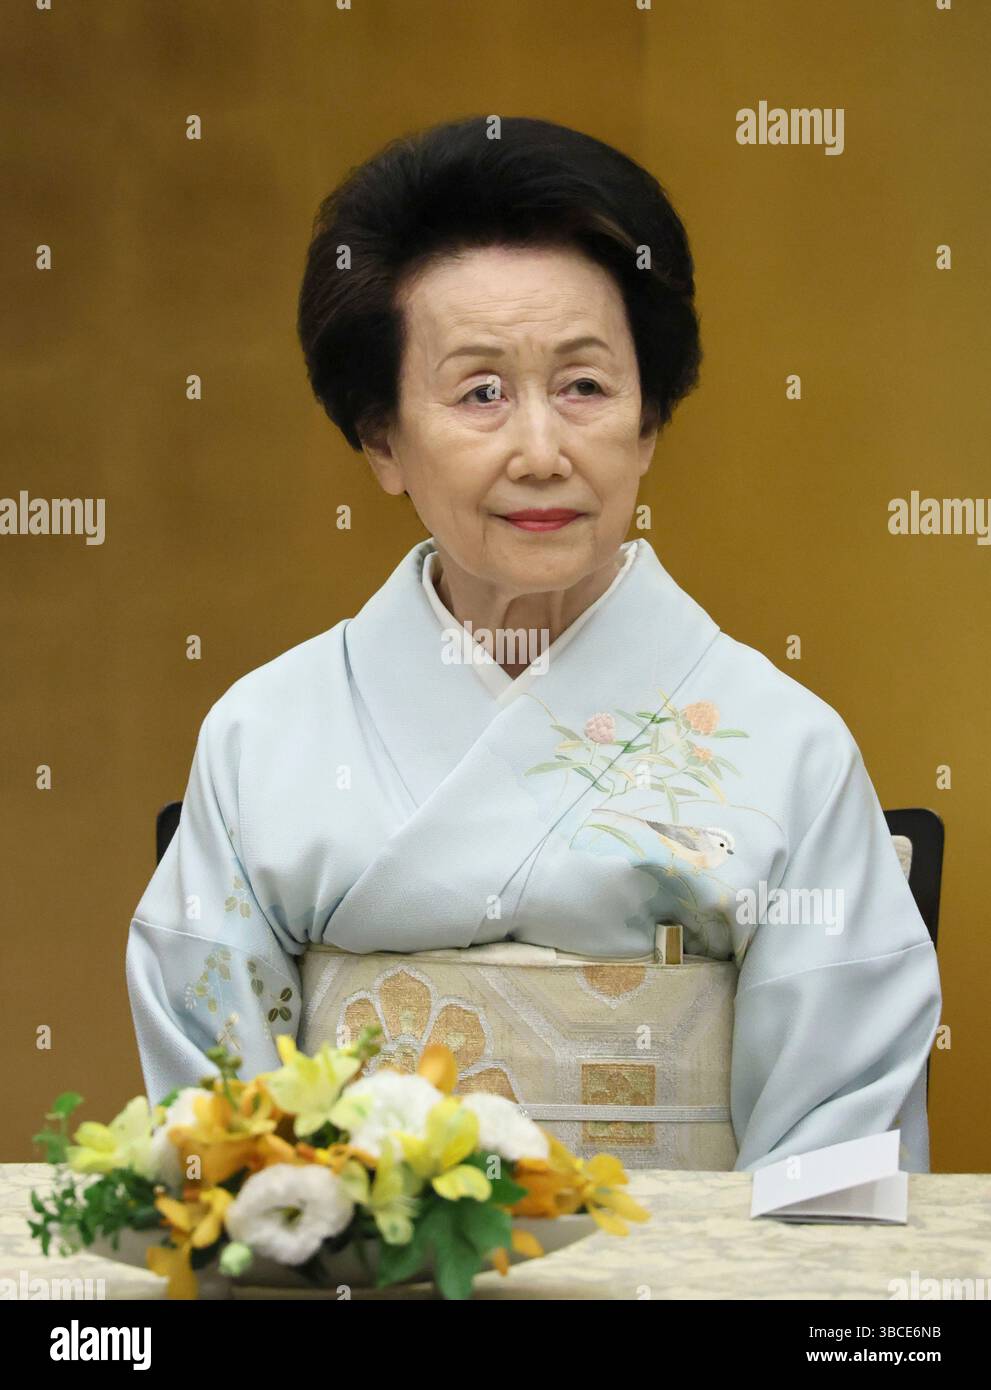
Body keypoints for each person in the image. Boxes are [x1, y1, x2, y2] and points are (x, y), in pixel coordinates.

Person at [126, 115, 941, 1172]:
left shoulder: (787, 748)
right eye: (479, 393)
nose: (542, 450)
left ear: (647, 422)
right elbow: (215, 1150)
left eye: (585, 386)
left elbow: (834, 1163)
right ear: (381, 438)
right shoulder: (264, 736)